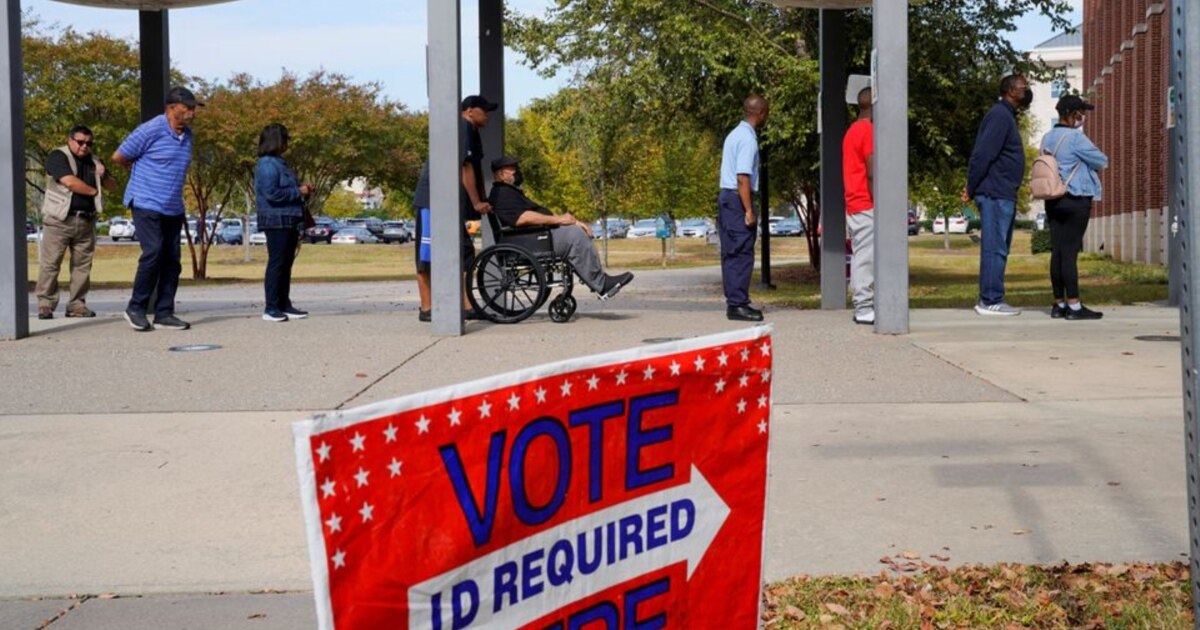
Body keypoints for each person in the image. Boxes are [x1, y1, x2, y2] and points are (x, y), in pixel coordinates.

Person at [112, 86, 202, 332]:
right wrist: (141, 175)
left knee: (172, 260)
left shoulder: (188, 136)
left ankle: (164, 313)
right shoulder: (151, 129)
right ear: (172, 108)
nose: (193, 113)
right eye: (188, 108)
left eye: (194, 109)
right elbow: (119, 156)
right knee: (153, 252)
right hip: (146, 201)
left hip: (172, 206)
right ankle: (135, 308)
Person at [488, 156, 633, 299]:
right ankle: (602, 284)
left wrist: (573, 221)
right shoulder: (502, 194)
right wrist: (559, 220)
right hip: (531, 241)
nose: (517, 171)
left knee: (576, 230)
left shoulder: (510, 191)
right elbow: (521, 218)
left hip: (537, 236)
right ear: (501, 174)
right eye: (513, 169)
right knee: (575, 237)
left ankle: (599, 280)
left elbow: (537, 213)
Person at [411, 95, 497, 322]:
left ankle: (466, 305)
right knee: (427, 256)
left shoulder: (470, 131)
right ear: (469, 110)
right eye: (484, 110)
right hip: (432, 200)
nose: (487, 115)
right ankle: (427, 308)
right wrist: (477, 202)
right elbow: (465, 167)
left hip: (449, 202)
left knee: (464, 251)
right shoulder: (462, 126)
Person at [965, 74, 1032, 317]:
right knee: (994, 248)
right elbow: (982, 154)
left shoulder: (1006, 116)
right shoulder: (999, 115)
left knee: (1000, 248)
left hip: (1002, 192)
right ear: (1010, 91)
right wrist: (971, 187)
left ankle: (993, 298)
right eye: (1023, 87)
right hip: (994, 193)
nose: (1027, 91)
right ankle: (990, 300)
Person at [34, 125, 117, 320]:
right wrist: (94, 192)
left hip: (86, 220)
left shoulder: (95, 161)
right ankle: (46, 304)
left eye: (89, 143)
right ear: (70, 140)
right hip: (59, 220)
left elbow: (113, 186)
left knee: (82, 266)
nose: (84, 147)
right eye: (80, 142)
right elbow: (69, 181)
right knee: (50, 264)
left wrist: (103, 173)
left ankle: (77, 305)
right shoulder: (58, 156)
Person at [1041, 95, 1108, 320]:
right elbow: (1102, 161)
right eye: (1081, 112)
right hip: (1076, 199)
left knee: (1057, 252)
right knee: (1070, 253)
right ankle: (1075, 306)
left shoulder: (1047, 138)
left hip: (1053, 199)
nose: (1083, 117)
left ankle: (1058, 304)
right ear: (1072, 114)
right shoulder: (1076, 139)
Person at [254, 123, 313, 322]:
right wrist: (299, 191)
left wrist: (302, 190)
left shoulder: (280, 163)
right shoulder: (267, 164)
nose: (288, 143)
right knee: (277, 263)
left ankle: (284, 304)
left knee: (286, 263)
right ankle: (270, 307)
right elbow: (271, 194)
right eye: (285, 139)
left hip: (289, 219)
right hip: (275, 220)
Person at [718, 95, 769, 322]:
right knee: (741, 251)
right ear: (760, 113)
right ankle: (738, 304)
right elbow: (742, 177)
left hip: (727, 198)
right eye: (766, 112)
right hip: (737, 199)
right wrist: (748, 209)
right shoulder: (748, 139)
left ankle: (734, 301)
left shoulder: (733, 134)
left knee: (730, 252)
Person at [843, 88, 875, 325]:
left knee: (861, 254)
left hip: (855, 202)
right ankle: (863, 306)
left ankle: (865, 304)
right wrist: (881, 204)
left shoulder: (852, 131)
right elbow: (872, 170)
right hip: (866, 202)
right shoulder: (867, 130)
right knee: (865, 257)